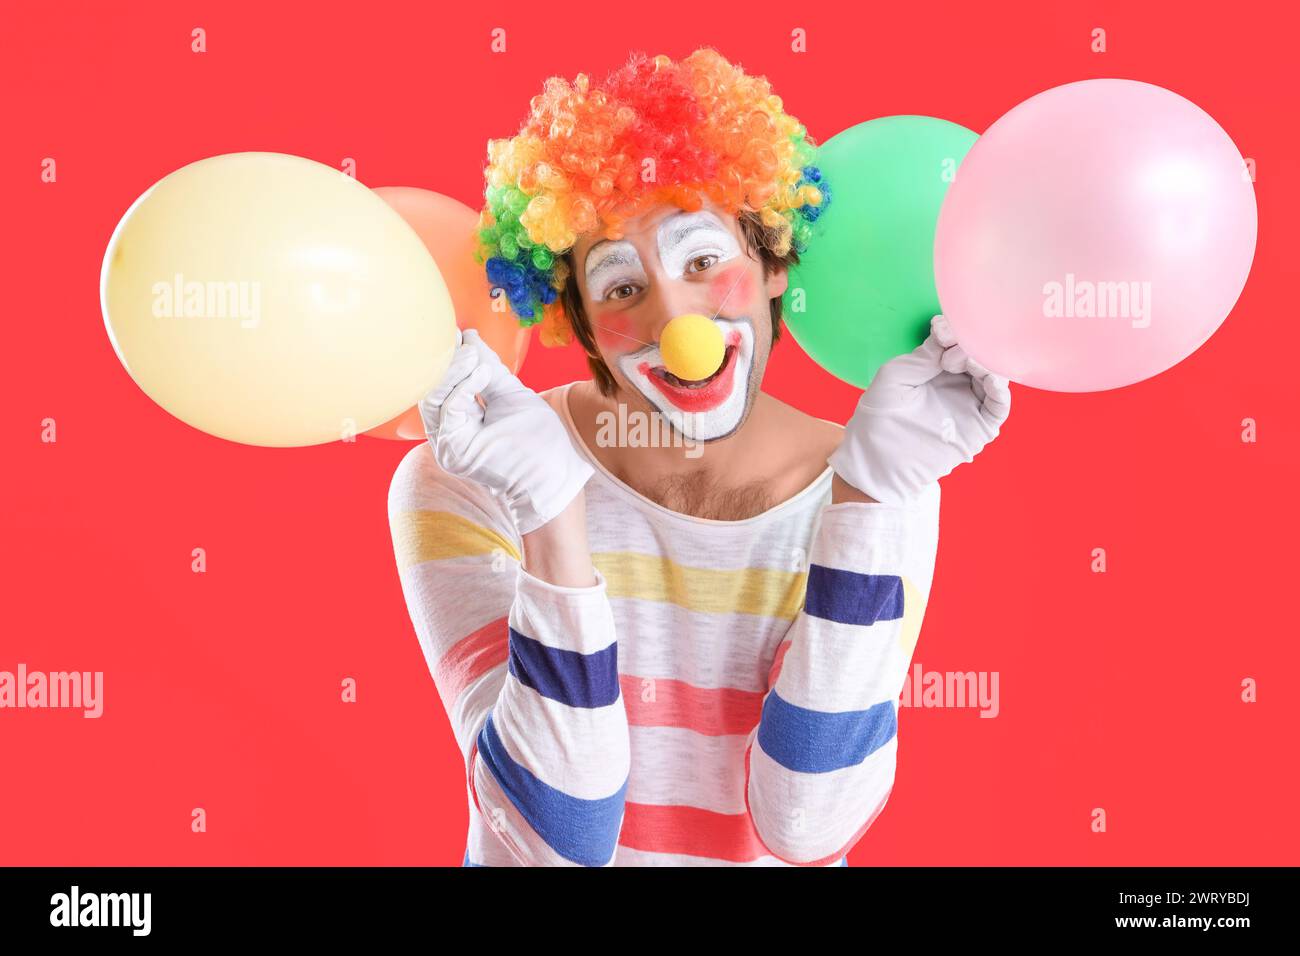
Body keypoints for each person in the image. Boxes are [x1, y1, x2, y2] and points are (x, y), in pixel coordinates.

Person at [386, 47, 1011, 866]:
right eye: (619, 288)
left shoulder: (883, 480)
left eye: (704, 261)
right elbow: (553, 842)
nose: (672, 319)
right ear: (578, 325)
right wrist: (549, 518)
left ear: (774, 264)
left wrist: (868, 502)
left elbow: (809, 824)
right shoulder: (465, 479)